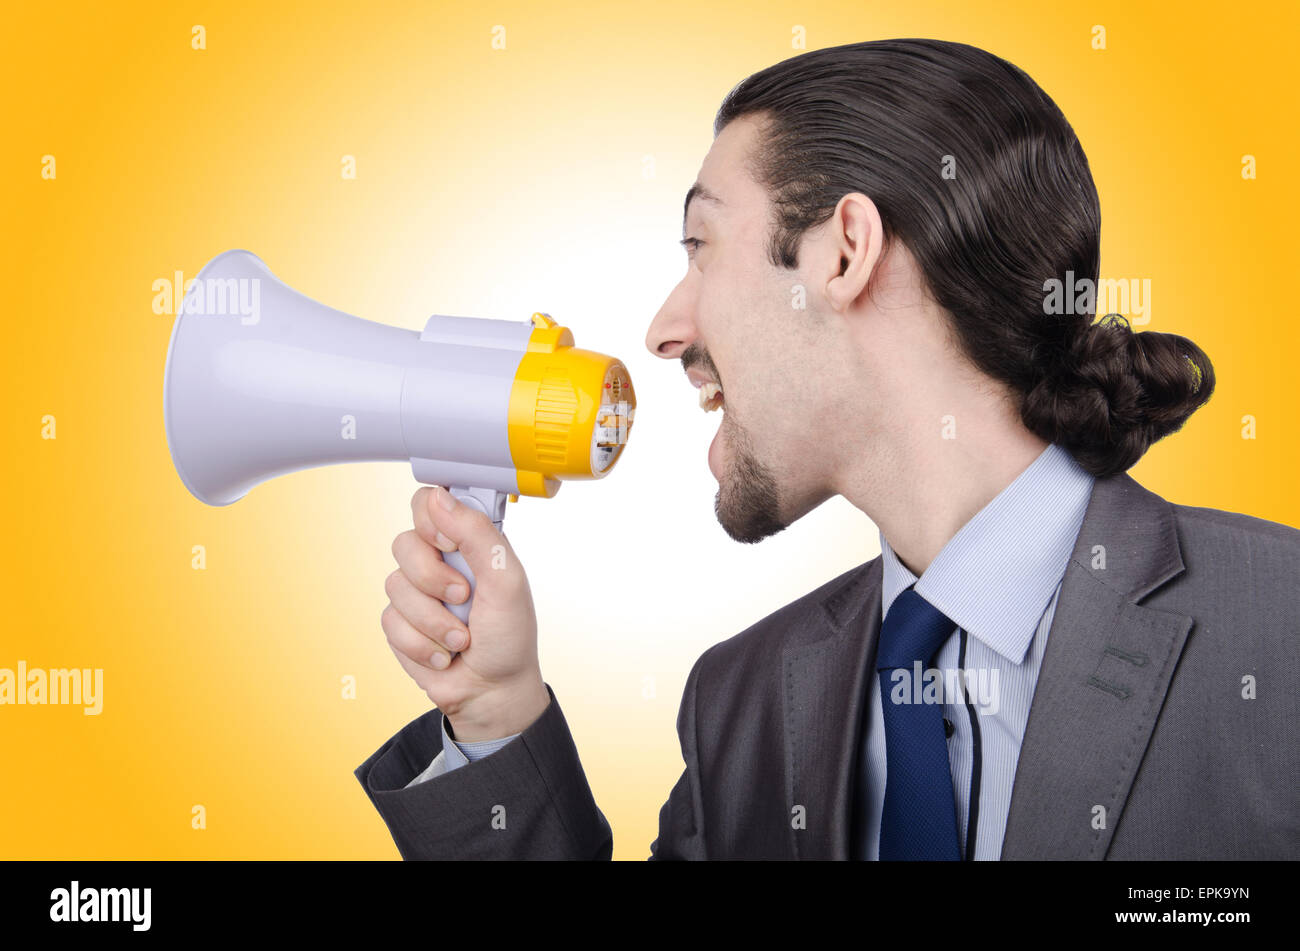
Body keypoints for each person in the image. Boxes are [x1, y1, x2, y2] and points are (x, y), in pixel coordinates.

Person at [356, 38, 1299, 860]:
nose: (664, 328)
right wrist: (495, 711)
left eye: (701, 244)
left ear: (844, 252)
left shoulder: (1277, 631)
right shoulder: (744, 701)